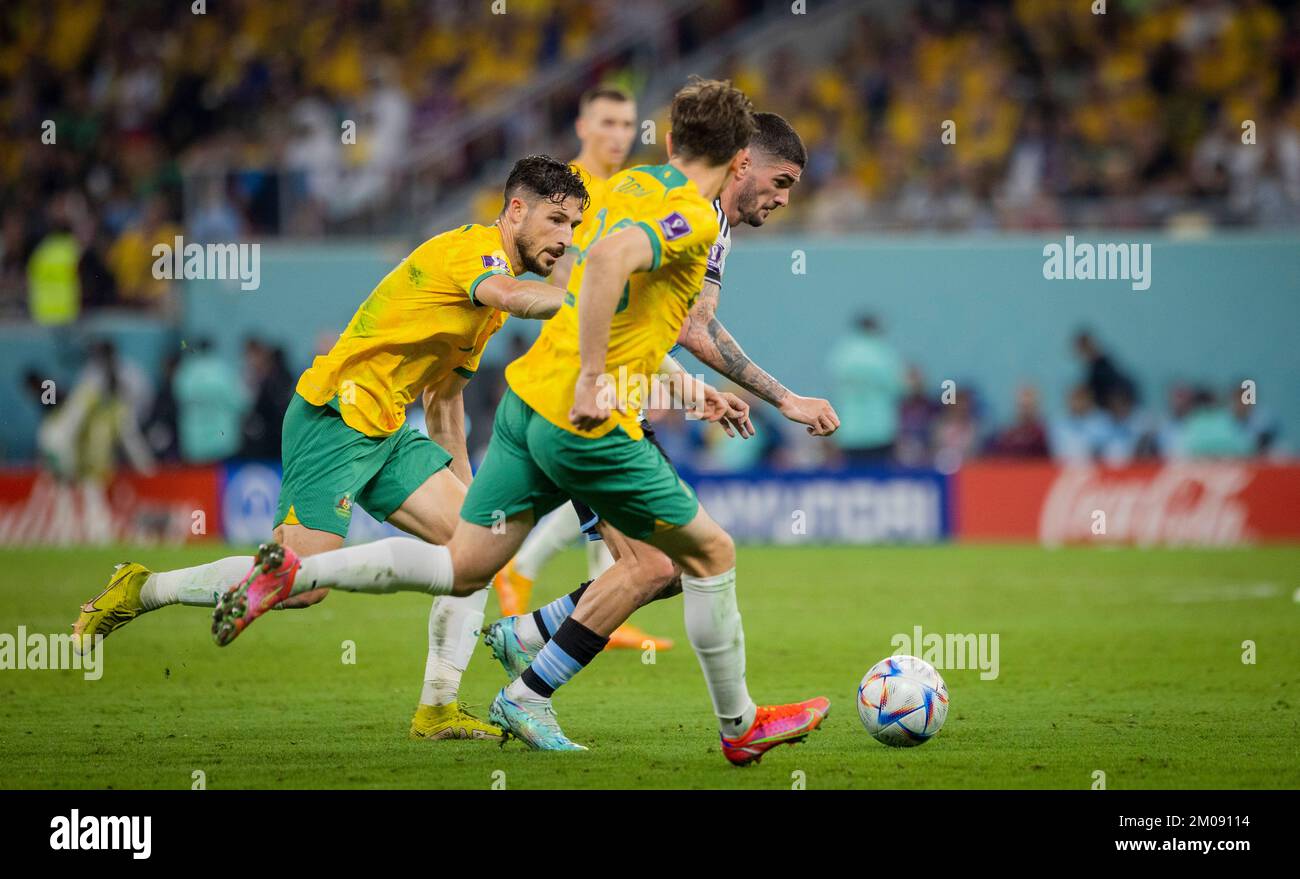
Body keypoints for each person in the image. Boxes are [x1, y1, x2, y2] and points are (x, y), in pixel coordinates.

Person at [215, 79, 831, 765]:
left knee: (463, 566)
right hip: (586, 420)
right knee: (705, 556)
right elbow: (606, 262)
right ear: (740, 159)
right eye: (779, 182)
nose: (780, 200)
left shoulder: (630, 185)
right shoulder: (692, 214)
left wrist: (690, 385)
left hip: (526, 405)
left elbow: (658, 309)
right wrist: (602, 379)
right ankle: (735, 723)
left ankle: (294, 574)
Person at [72, 155, 590, 743]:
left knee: (475, 553)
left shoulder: (486, 312)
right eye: (556, 221)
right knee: (304, 585)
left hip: (389, 429)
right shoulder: (472, 254)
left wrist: (468, 495)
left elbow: (444, 399)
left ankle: (437, 711)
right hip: (336, 417)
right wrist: (585, 302)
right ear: (516, 209)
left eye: (573, 227)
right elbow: (516, 295)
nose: (565, 240)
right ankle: (141, 587)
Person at [826, 315, 905, 464]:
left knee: (854, 479)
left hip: (849, 430)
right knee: (880, 479)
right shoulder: (882, 353)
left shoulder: (842, 354)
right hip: (880, 429)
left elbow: (835, 388)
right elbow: (898, 387)